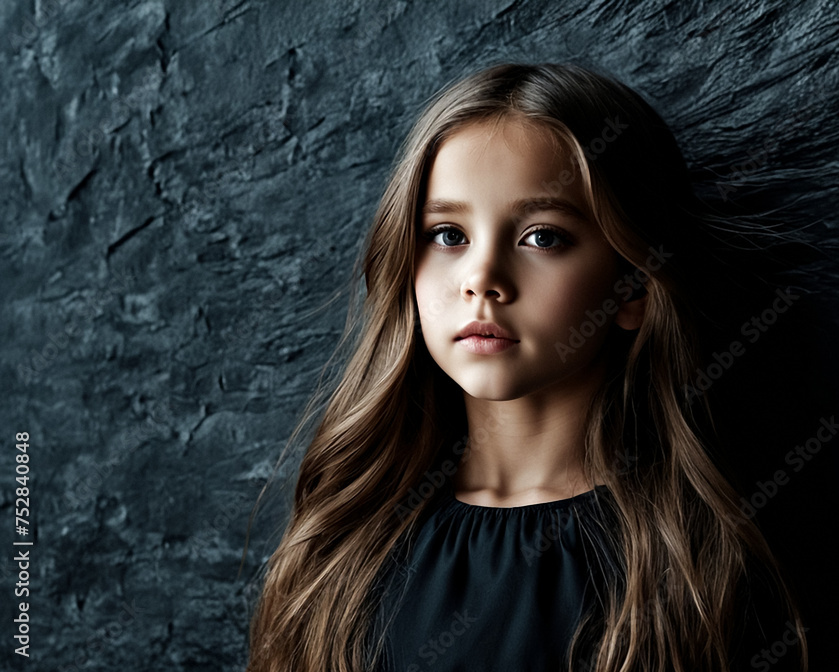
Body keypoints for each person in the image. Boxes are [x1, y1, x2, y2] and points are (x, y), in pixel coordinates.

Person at [244, 62, 808, 672]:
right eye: (448, 235)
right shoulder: (344, 539)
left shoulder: (695, 569)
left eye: (542, 237)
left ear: (634, 286)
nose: (482, 278)